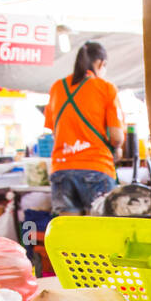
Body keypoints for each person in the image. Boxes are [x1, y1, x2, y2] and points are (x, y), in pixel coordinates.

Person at [43, 41, 125, 215]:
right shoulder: (106, 88)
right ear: (101, 63)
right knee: (100, 235)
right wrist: (117, 149)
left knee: (69, 236)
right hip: (96, 168)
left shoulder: (57, 88)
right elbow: (116, 137)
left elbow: (54, 131)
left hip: (61, 169)